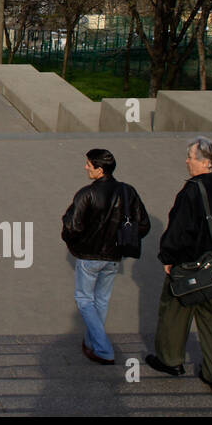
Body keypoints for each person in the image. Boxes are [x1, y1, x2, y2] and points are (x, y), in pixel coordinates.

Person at [146, 138, 212, 395]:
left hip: (188, 267)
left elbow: (179, 230)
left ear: (206, 162)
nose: (187, 161)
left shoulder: (192, 190)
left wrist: (168, 258)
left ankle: (171, 361)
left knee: (174, 313)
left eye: (191, 156)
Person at [61, 148, 151, 365]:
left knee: (84, 300)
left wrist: (73, 241)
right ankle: (91, 342)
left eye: (89, 165)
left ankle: (103, 348)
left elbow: (72, 226)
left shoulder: (87, 194)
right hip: (113, 256)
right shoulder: (128, 192)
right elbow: (143, 224)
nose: (86, 167)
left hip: (89, 256)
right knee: (101, 300)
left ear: (99, 170)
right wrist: (121, 240)